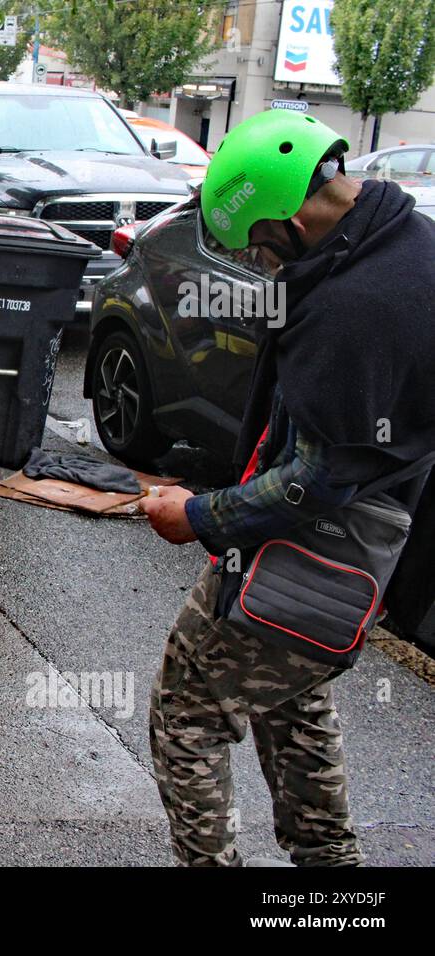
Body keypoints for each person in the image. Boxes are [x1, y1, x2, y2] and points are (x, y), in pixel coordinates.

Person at [141, 109, 435, 866]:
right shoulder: (413, 247)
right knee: (289, 699)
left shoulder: (351, 309)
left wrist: (197, 514)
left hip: (302, 550)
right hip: (366, 560)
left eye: (261, 245)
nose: (263, 265)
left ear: (288, 212)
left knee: (188, 712)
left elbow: (314, 479)